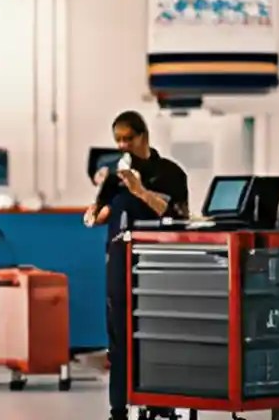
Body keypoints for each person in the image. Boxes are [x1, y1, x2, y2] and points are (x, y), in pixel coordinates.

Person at [84, 110, 189, 420]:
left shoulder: (170, 173)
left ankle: (160, 402)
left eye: (128, 138)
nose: (123, 145)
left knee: (157, 333)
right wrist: (98, 200)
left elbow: (180, 216)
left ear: (143, 136)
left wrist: (140, 191)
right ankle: (118, 408)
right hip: (119, 262)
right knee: (119, 339)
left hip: (158, 263)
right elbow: (95, 218)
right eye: (118, 140)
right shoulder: (115, 176)